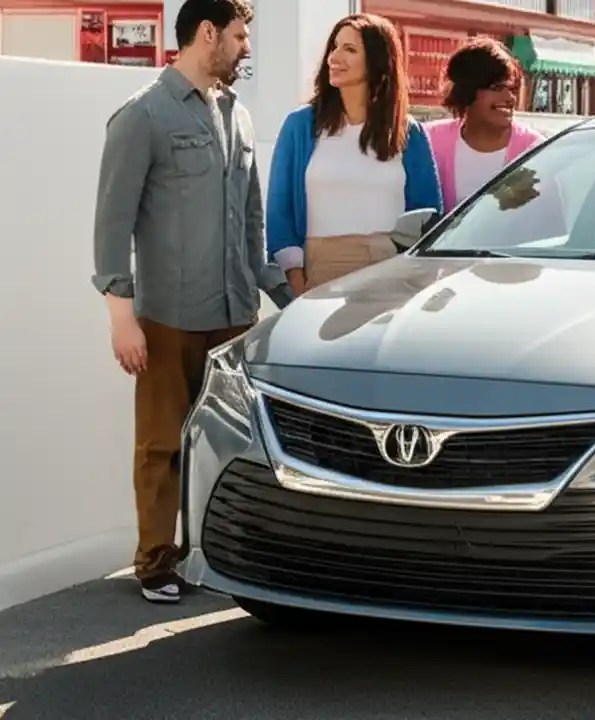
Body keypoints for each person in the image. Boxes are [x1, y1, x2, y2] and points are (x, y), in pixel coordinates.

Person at [92, 0, 291, 604]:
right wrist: (121, 317)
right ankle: (155, 562)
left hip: (235, 318)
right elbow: (111, 224)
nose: (246, 48)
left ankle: (217, 555)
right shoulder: (142, 116)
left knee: (233, 446)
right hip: (167, 319)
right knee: (161, 444)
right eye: (238, 36)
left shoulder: (240, 116)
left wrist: (284, 296)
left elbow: (253, 225)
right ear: (208, 34)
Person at [266, 13, 442, 296]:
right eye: (334, 47)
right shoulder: (300, 126)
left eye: (349, 49)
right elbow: (279, 208)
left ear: (377, 62)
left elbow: (429, 215)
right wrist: (295, 277)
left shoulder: (410, 132)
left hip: (392, 269)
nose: (334, 57)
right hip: (322, 268)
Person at [426, 37, 546, 213]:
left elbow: (551, 222)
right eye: (497, 88)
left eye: (512, 89)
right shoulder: (430, 141)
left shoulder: (534, 150)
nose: (510, 98)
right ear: (468, 90)